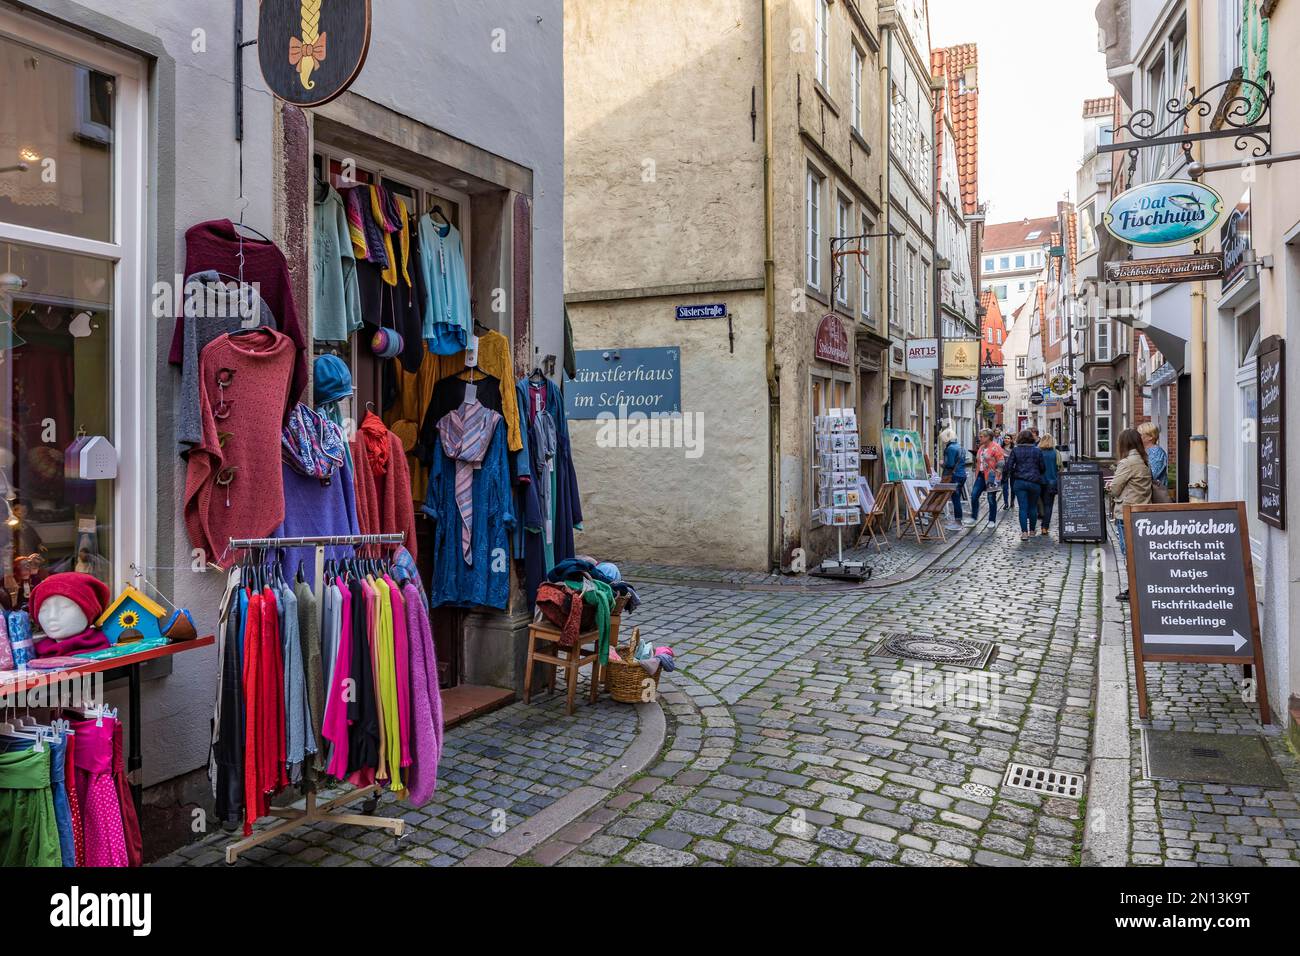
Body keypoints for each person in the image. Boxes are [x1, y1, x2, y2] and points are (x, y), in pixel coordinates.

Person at [1107, 428, 1154, 602]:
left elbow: (1115, 489)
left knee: (1129, 552)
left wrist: (1110, 487)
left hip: (1126, 512)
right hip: (1143, 510)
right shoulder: (1143, 460)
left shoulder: (1127, 463)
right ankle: (1139, 585)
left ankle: (1133, 588)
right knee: (1139, 552)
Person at [1005, 430, 1046, 540]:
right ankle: (1032, 531)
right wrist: (1037, 473)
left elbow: (1009, 466)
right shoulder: (1037, 450)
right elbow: (1043, 467)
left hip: (1020, 482)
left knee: (1022, 508)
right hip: (1034, 482)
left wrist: (1013, 473)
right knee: (1033, 507)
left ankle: (1024, 533)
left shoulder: (1015, 450)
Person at [969, 428, 1005, 529]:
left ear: (988, 437)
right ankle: (974, 517)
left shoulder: (996, 447)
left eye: (981, 436)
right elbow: (978, 460)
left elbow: (1001, 462)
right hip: (980, 475)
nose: (979, 438)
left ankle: (991, 520)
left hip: (991, 476)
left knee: (991, 498)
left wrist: (997, 475)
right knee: (974, 495)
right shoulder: (981, 447)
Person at [938, 426, 970, 529]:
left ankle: (958, 522)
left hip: (954, 475)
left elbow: (950, 464)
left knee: (955, 498)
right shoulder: (960, 447)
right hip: (961, 474)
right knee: (957, 497)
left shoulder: (950, 448)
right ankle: (958, 520)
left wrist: (942, 463)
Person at [1037, 433, 1061, 537]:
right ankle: (1045, 527)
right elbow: (1060, 467)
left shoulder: (1038, 452)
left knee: (1039, 503)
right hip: (1052, 482)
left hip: (1039, 481)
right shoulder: (1056, 453)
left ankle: (1040, 521)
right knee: (1048, 505)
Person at [1138, 421, 1169, 500]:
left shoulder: (1157, 452)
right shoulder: (1143, 451)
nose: (1137, 437)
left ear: (1150, 437)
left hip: (1154, 496)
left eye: (1140, 434)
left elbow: (1152, 474)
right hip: (1146, 494)